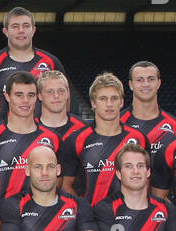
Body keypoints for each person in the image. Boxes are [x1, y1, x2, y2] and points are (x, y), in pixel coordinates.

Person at [0, 72, 61, 199]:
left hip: (43, 211)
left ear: (37, 97)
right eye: (19, 95)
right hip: (2, 210)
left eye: (31, 95)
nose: (26, 101)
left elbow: (59, 185)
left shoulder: (53, 139)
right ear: (7, 96)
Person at [62, 72, 146, 207]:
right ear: (93, 103)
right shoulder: (76, 140)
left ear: (121, 102)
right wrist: (84, 211)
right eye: (103, 99)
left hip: (130, 215)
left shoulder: (138, 138)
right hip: (91, 216)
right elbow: (65, 186)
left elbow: (146, 183)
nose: (109, 104)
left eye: (114, 98)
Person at [0, 8, 64, 122]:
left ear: (33, 30)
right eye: (15, 26)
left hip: (44, 131)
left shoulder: (51, 62)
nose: (21, 31)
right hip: (6, 131)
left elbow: (64, 101)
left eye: (26, 26)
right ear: (5, 31)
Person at [121, 61, 176, 153]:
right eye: (139, 80)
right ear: (131, 85)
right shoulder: (118, 122)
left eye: (151, 79)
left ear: (159, 83)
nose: (146, 84)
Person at [36, 70, 87, 144]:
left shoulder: (83, 128)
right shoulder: (29, 128)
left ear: (68, 93)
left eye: (61, 91)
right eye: (50, 91)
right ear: (40, 95)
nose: (56, 96)